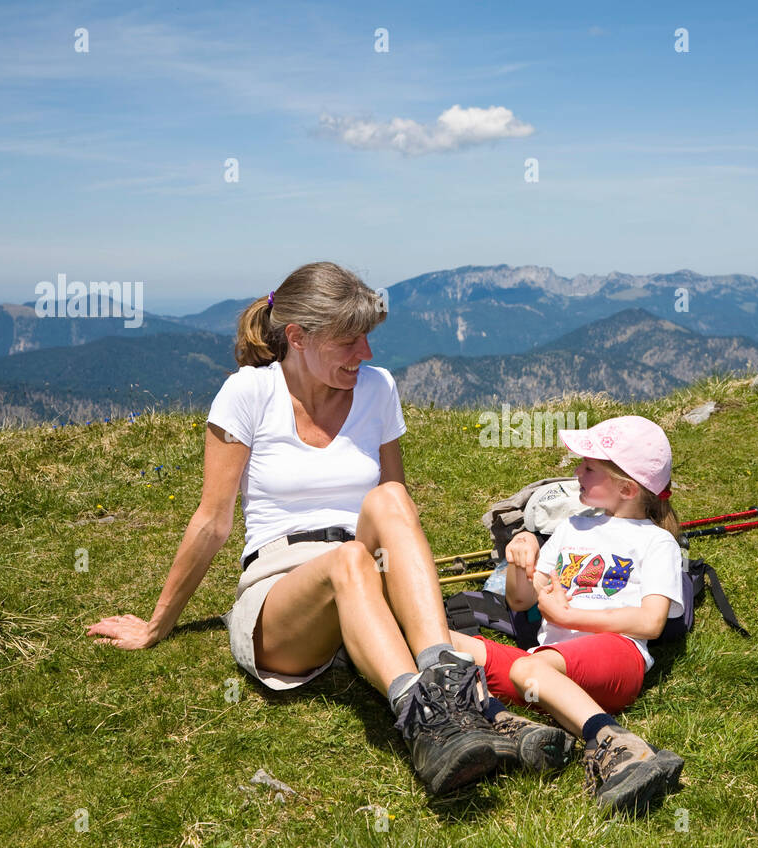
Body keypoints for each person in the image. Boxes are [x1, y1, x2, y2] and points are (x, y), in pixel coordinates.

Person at [86, 261, 546, 796]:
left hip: (363, 577)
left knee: (392, 498)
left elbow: (396, 512)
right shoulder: (248, 393)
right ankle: (432, 720)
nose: (366, 355)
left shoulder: (378, 388)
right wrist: (156, 624)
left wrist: (400, 592)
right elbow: (212, 523)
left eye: (368, 338)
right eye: (350, 341)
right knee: (349, 560)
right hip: (281, 597)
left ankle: (444, 686)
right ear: (299, 338)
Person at [449, 416, 686, 815]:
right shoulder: (571, 527)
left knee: (528, 669)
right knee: (441, 642)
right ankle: (517, 726)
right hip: (547, 665)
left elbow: (651, 622)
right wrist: (521, 559)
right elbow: (523, 602)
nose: (576, 471)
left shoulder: (656, 541)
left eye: (590, 467)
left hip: (617, 655)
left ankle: (616, 744)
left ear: (627, 488)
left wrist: (570, 616)